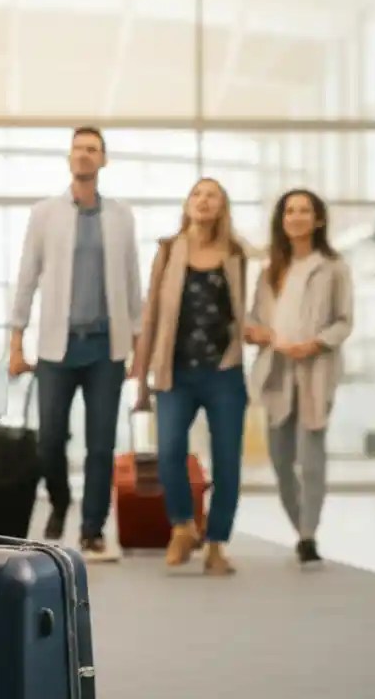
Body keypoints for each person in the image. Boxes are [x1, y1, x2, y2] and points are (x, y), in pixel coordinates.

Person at [9, 127, 143, 560]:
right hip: (56, 347)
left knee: (101, 443)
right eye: (78, 148)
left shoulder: (121, 216)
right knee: (49, 439)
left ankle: (91, 528)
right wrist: (16, 341)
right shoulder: (45, 213)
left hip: (106, 348)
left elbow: (131, 282)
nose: (83, 155)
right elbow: (27, 276)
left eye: (92, 149)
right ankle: (61, 500)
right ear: (70, 158)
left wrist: (138, 346)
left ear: (103, 161)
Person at [132, 178, 249, 576]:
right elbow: (150, 315)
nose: (203, 200)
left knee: (228, 462)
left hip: (225, 372)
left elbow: (244, 308)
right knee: (168, 453)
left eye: (212, 195)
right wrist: (140, 371)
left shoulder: (235, 253)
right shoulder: (168, 250)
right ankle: (183, 525)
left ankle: (217, 543)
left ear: (222, 206)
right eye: (197, 194)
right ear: (187, 204)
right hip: (174, 372)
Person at [244, 189, 353, 566]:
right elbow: (254, 319)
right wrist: (255, 332)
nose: (297, 216)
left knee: (311, 457)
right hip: (276, 371)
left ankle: (308, 536)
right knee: (280, 459)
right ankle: (299, 526)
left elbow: (344, 321)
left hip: (314, 370)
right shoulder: (270, 270)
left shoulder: (333, 267)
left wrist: (316, 344)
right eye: (290, 211)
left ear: (318, 219)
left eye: (305, 210)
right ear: (282, 220)